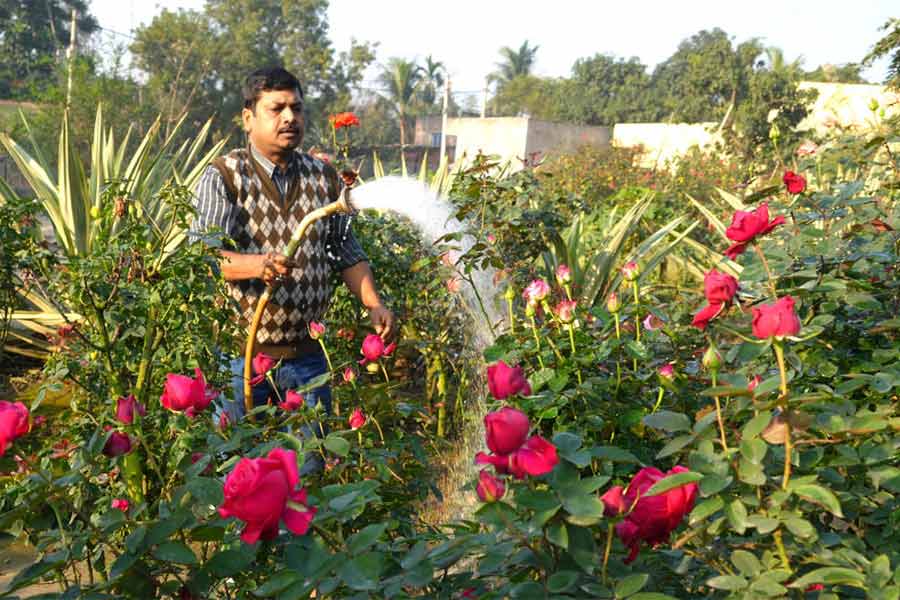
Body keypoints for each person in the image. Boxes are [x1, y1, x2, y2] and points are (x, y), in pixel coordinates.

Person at [189, 66, 395, 426]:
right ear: (248, 118)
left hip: (308, 357)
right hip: (242, 359)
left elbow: (346, 251)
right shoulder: (224, 175)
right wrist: (258, 266)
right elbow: (203, 257)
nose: (290, 117)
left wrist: (373, 304)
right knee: (240, 463)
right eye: (277, 108)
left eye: (297, 108)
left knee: (310, 467)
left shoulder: (322, 177)